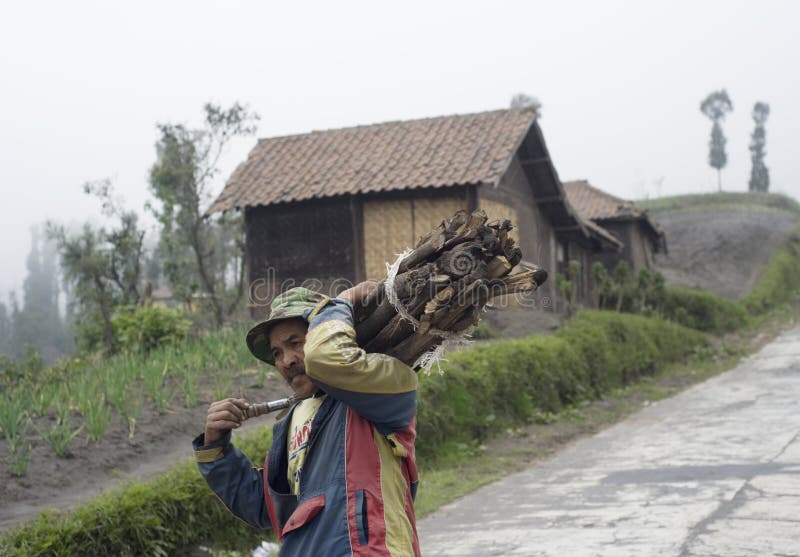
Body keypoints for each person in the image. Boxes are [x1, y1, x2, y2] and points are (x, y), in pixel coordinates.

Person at [193, 284, 421, 556]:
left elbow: (329, 360)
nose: (286, 361)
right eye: (277, 352)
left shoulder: (382, 386)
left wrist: (341, 302)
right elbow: (262, 506)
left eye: (295, 343)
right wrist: (216, 448)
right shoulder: (292, 421)